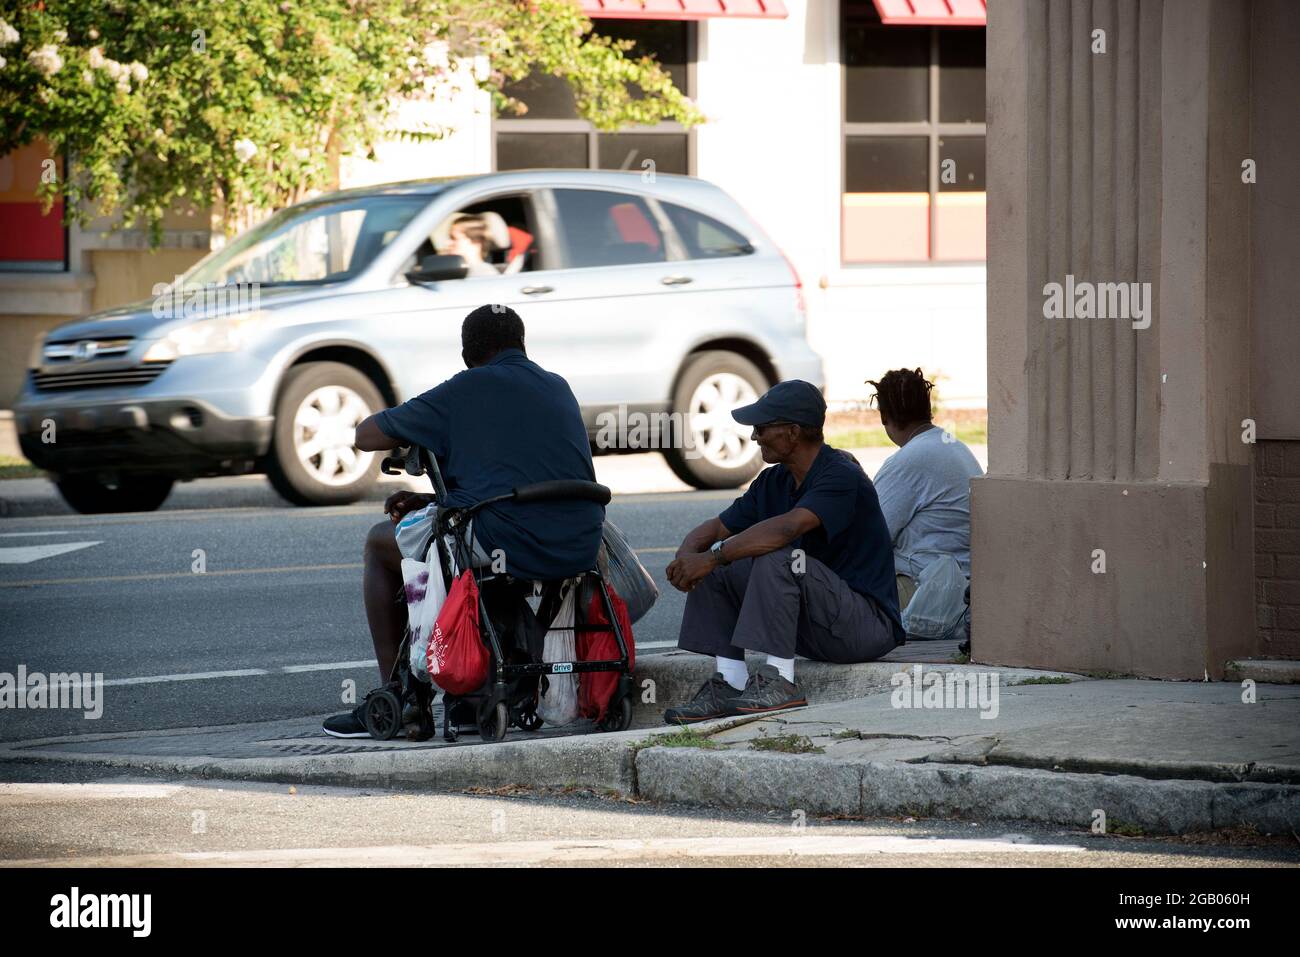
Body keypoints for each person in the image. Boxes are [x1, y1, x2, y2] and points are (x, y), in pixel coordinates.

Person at [322, 305, 604, 737]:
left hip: (506, 537)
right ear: (521, 345)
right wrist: (431, 501)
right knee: (459, 540)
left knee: (381, 544)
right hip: (579, 541)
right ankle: (476, 692)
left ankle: (401, 694)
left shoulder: (464, 388)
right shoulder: (558, 387)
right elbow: (516, 473)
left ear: (468, 353)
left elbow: (366, 436)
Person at [661, 380, 903, 724]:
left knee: (779, 557)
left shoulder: (841, 476)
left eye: (762, 427)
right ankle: (730, 682)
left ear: (792, 432)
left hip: (864, 627)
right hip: (817, 627)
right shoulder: (773, 480)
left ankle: (781, 681)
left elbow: (787, 529)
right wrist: (688, 556)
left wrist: (712, 556)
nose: (754, 436)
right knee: (720, 560)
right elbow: (716, 529)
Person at [868, 368, 982, 616]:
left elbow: (871, 539)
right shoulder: (952, 445)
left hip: (924, 592)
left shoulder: (907, 460)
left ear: (884, 416)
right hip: (960, 589)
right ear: (927, 408)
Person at [439, 213, 503, 278]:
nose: (448, 243)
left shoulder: (484, 275)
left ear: (476, 241)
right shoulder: (461, 271)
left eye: (454, 238)